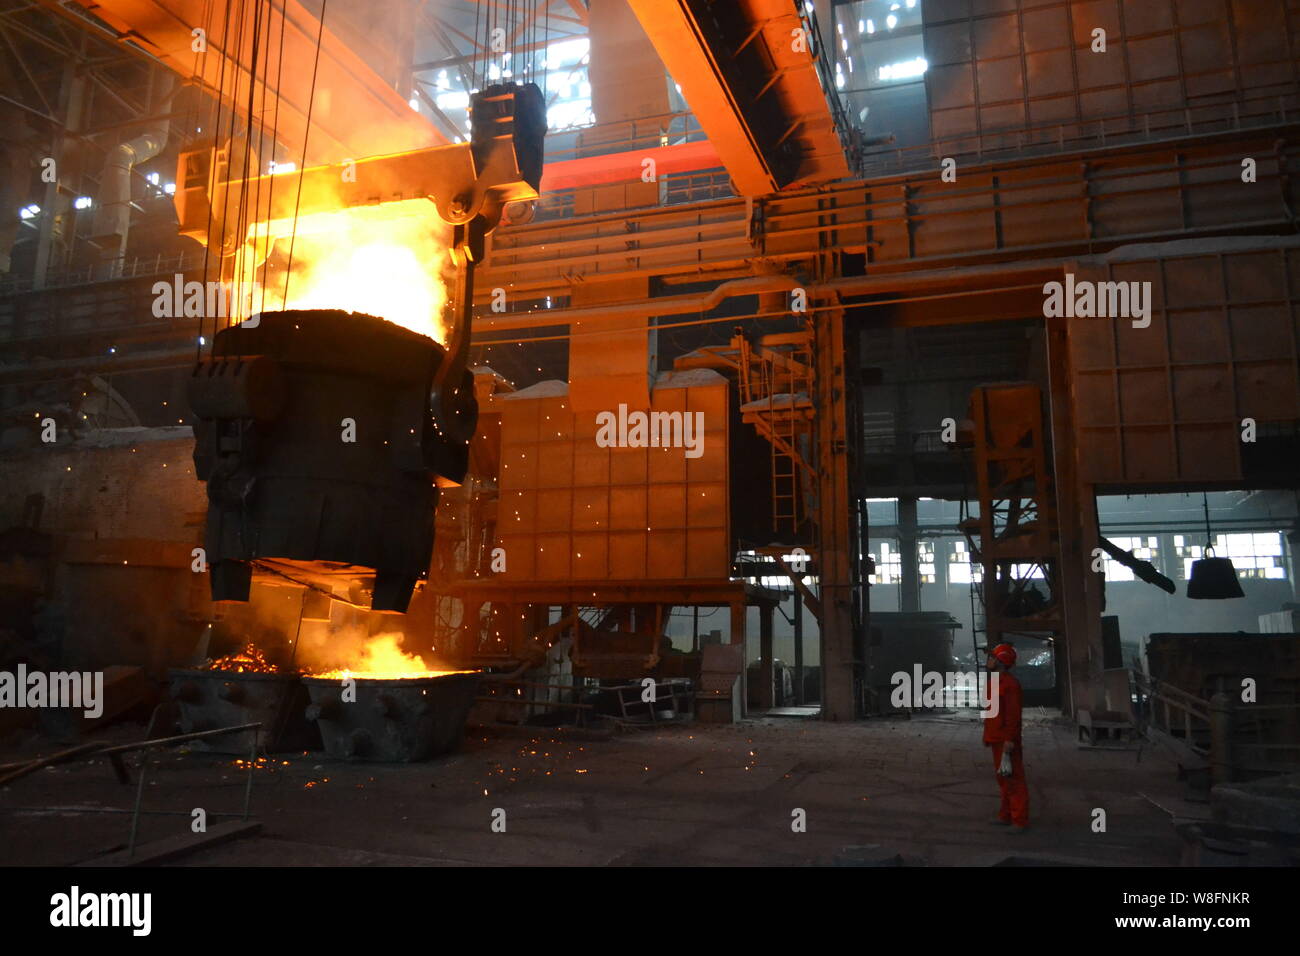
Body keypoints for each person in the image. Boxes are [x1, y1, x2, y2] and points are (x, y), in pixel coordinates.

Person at [983, 642, 1028, 831]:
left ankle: (1019, 820)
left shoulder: (1009, 685)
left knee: (1014, 779)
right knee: (1004, 778)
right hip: (996, 738)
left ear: (1000, 661)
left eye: (992, 657)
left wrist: (1009, 740)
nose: (988, 659)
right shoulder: (995, 683)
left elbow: (1012, 716)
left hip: (1005, 740)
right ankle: (1006, 815)